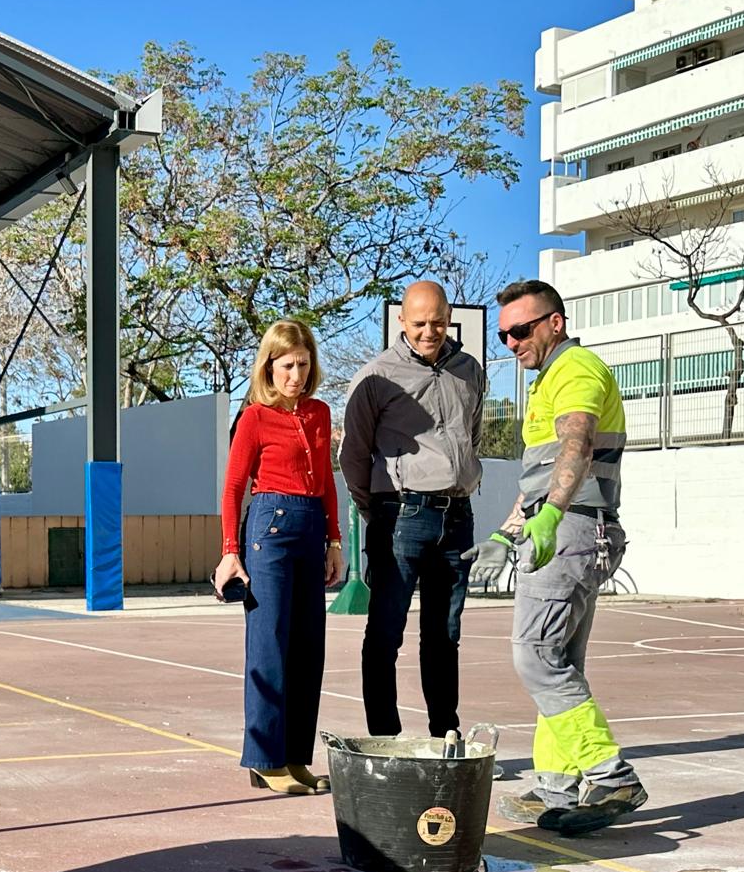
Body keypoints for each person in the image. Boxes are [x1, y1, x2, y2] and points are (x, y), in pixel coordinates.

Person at [466, 278, 647, 836]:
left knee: (536, 657)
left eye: (520, 330)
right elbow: (543, 475)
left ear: (555, 323)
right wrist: (506, 531)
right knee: (559, 663)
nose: (511, 342)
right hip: (570, 527)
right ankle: (555, 785)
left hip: (571, 529)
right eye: (503, 335)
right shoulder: (546, 381)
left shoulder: (575, 370)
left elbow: (577, 445)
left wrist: (548, 519)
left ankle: (608, 772)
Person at [340, 280, 487, 738]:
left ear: (450, 318)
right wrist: (378, 511)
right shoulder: (376, 377)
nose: (430, 331)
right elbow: (354, 455)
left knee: (445, 634)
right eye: (420, 323)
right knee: (386, 632)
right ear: (401, 321)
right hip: (399, 515)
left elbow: (472, 436)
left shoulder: (470, 370)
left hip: (457, 518)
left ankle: (446, 733)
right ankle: (385, 738)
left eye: (439, 322)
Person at [214, 320, 346, 795]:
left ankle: (294, 758)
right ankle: (264, 758)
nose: (296, 374)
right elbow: (232, 488)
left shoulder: (320, 413)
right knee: (269, 644)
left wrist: (334, 541)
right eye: (286, 365)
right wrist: (231, 551)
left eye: (303, 364)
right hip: (269, 528)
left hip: (311, 528)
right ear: (269, 368)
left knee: (308, 647)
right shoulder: (253, 418)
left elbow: (328, 482)